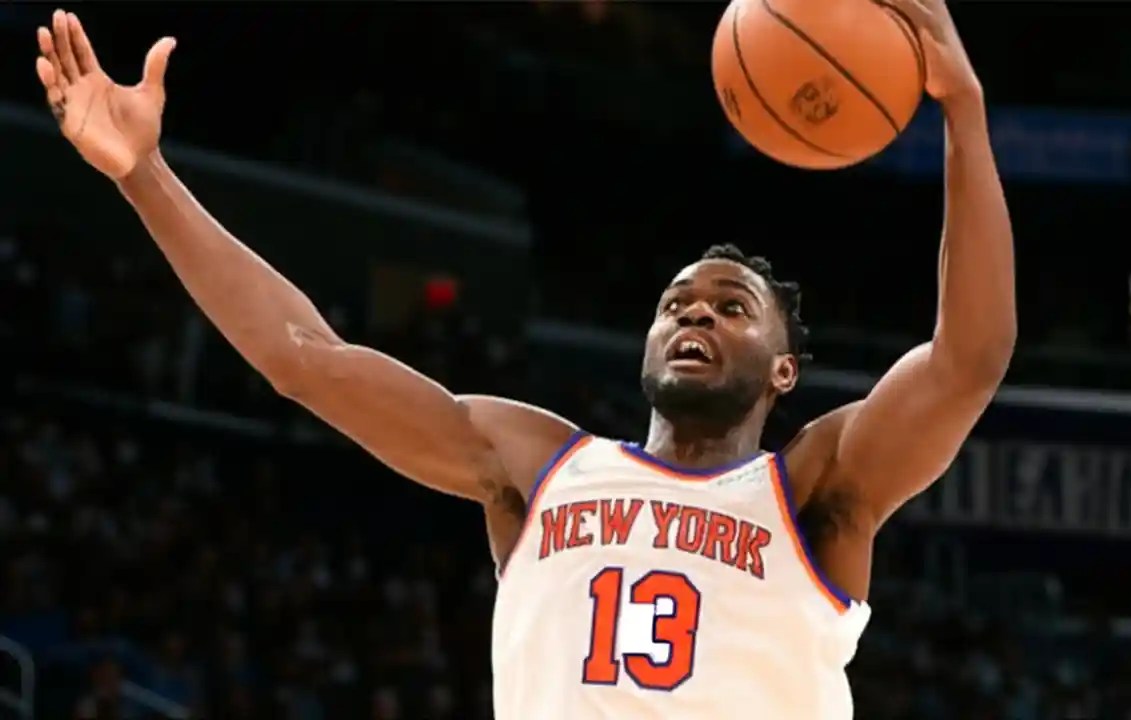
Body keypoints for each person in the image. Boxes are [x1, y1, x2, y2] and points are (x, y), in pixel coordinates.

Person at [32, 1, 1014, 717]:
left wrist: (962, 112)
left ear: (783, 370)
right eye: (675, 302)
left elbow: (967, 360)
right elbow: (305, 359)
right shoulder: (536, 463)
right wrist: (144, 176)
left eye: (727, 306)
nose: (692, 316)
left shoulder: (814, 487)